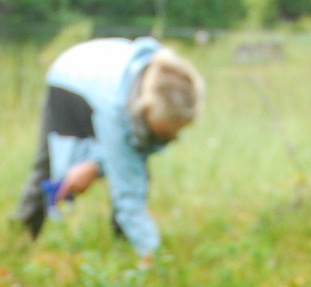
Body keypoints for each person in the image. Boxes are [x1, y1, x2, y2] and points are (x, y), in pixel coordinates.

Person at [12, 37, 204, 262]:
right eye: (165, 133)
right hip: (69, 81)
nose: (171, 139)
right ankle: (20, 236)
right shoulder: (116, 108)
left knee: (132, 173)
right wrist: (155, 258)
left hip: (101, 78)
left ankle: (124, 248)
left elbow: (127, 160)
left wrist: (95, 165)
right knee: (47, 166)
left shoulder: (169, 83)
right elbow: (128, 193)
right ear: (147, 111)